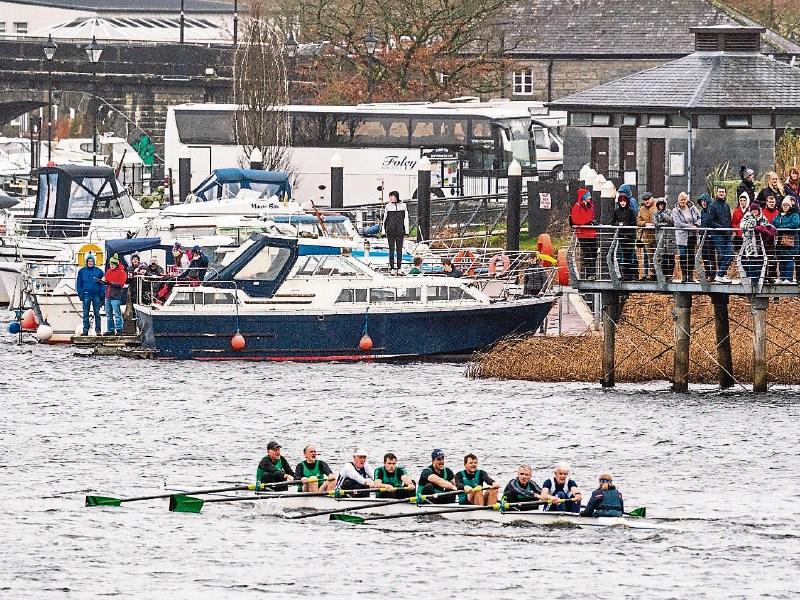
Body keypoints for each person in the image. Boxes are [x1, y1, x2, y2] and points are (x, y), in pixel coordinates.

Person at [672, 192, 701, 282]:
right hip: (682, 236)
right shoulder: (675, 210)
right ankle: (684, 275)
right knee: (683, 255)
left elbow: (699, 217)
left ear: (687, 199)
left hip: (692, 235)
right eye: (681, 200)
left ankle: (690, 275)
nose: (683, 201)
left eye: (684, 199)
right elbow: (678, 223)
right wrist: (690, 227)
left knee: (691, 256)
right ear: (678, 200)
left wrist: (696, 224)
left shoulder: (692, 207)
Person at [708, 186, 734, 283]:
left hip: (727, 234)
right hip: (717, 234)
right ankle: (721, 275)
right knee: (721, 255)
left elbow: (729, 220)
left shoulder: (727, 206)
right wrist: (721, 228)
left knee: (730, 254)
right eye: (720, 192)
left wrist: (730, 230)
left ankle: (721, 274)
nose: (721, 193)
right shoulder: (713, 205)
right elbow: (710, 221)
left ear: (725, 193)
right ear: (717, 193)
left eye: (723, 192)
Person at [570, 187, 597, 280]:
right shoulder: (577, 207)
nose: (590, 198)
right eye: (588, 196)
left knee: (593, 253)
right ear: (583, 197)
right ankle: (589, 274)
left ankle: (591, 273)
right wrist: (588, 222)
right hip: (583, 234)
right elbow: (576, 220)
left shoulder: (590, 207)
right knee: (587, 253)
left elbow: (590, 218)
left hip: (591, 234)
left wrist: (593, 222)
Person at [740, 203, 772, 280]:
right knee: (752, 261)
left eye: (756, 210)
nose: (754, 211)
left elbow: (767, 226)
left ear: (758, 210)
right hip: (750, 243)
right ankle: (753, 279)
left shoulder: (763, 217)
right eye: (753, 210)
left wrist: (762, 228)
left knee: (761, 261)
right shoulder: (747, 216)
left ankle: (760, 278)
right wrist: (754, 224)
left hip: (761, 243)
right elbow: (742, 225)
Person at [76, 254, 105, 336]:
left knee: (97, 313)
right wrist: (81, 294)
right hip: (86, 295)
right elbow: (79, 284)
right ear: (86, 262)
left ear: (94, 262)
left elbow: (103, 284)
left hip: (96, 295)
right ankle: (85, 330)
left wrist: (102, 295)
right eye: (89, 261)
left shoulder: (99, 271)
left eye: (92, 261)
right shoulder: (81, 271)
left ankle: (98, 330)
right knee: (85, 313)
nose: (90, 262)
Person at [772, 198, 799, 283]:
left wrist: (780, 227)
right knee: (781, 260)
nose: (785, 207)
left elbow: (794, 224)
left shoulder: (794, 215)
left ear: (790, 206)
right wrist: (779, 227)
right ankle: (782, 278)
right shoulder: (780, 215)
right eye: (784, 205)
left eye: (787, 205)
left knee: (788, 259)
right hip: (780, 241)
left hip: (790, 241)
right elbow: (774, 222)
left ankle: (788, 278)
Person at [382, 191, 409, 276]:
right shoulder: (388, 206)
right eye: (390, 197)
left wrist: (406, 231)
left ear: (396, 197)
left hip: (399, 231)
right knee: (391, 250)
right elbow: (385, 219)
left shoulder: (403, 206)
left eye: (392, 196)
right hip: (390, 231)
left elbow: (406, 219)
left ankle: (399, 268)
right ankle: (392, 268)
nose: (390, 198)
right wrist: (383, 231)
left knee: (399, 250)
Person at [612, 194, 637, 280]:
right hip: (621, 235)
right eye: (621, 201)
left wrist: (627, 225)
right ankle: (625, 274)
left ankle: (631, 275)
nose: (623, 203)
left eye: (624, 201)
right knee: (623, 255)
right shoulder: (616, 210)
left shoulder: (630, 211)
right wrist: (619, 224)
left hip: (630, 236)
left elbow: (634, 222)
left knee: (630, 255)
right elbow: (612, 222)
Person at [101, 254, 127, 335]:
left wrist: (110, 283)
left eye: (113, 264)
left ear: (116, 264)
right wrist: (102, 281)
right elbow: (106, 281)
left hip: (116, 296)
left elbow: (121, 284)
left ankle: (119, 329)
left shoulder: (122, 272)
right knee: (108, 315)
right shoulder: (108, 272)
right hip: (108, 296)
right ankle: (110, 330)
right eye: (110, 264)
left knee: (117, 314)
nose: (111, 265)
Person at [652, 197, 676, 281]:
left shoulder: (669, 212)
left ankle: (670, 274)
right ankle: (664, 275)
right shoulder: (655, 213)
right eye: (659, 204)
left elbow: (672, 222)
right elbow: (656, 224)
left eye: (662, 204)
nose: (661, 206)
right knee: (663, 258)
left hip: (669, 237)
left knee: (671, 257)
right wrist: (665, 224)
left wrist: (664, 216)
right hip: (660, 238)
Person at [636, 192, 657, 280]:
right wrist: (644, 224)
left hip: (657, 236)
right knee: (649, 256)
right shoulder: (642, 209)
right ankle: (650, 274)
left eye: (648, 199)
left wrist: (654, 224)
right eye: (645, 200)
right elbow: (638, 221)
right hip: (646, 236)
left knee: (657, 255)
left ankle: (657, 273)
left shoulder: (657, 206)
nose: (646, 202)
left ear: (652, 198)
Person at [698, 193, 717, 279]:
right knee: (704, 255)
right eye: (702, 201)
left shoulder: (711, 210)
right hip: (703, 236)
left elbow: (712, 222)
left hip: (710, 236)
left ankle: (712, 274)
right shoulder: (702, 212)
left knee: (711, 255)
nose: (703, 203)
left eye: (705, 201)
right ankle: (707, 272)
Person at [731, 192, 750, 256]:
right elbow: (733, 223)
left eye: (744, 200)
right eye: (741, 200)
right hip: (739, 237)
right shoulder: (736, 211)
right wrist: (739, 231)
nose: (742, 202)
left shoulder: (750, 211)